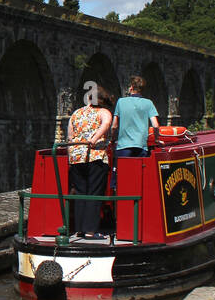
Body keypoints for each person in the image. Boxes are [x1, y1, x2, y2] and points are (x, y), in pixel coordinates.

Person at [67, 87, 112, 238]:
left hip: (76, 157)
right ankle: (90, 231)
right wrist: (94, 139)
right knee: (94, 192)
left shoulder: (76, 113)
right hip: (95, 156)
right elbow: (105, 125)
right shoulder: (103, 112)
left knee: (80, 192)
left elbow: (70, 135)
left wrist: (72, 153)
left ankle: (79, 228)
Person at [111, 76, 160, 158]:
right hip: (141, 146)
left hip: (123, 146)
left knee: (123, 170)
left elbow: (114, 126)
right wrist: (156, 139)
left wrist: (113, 139)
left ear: (131, 87)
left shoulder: (121, 101)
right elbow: (155, 125)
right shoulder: (148, 103)